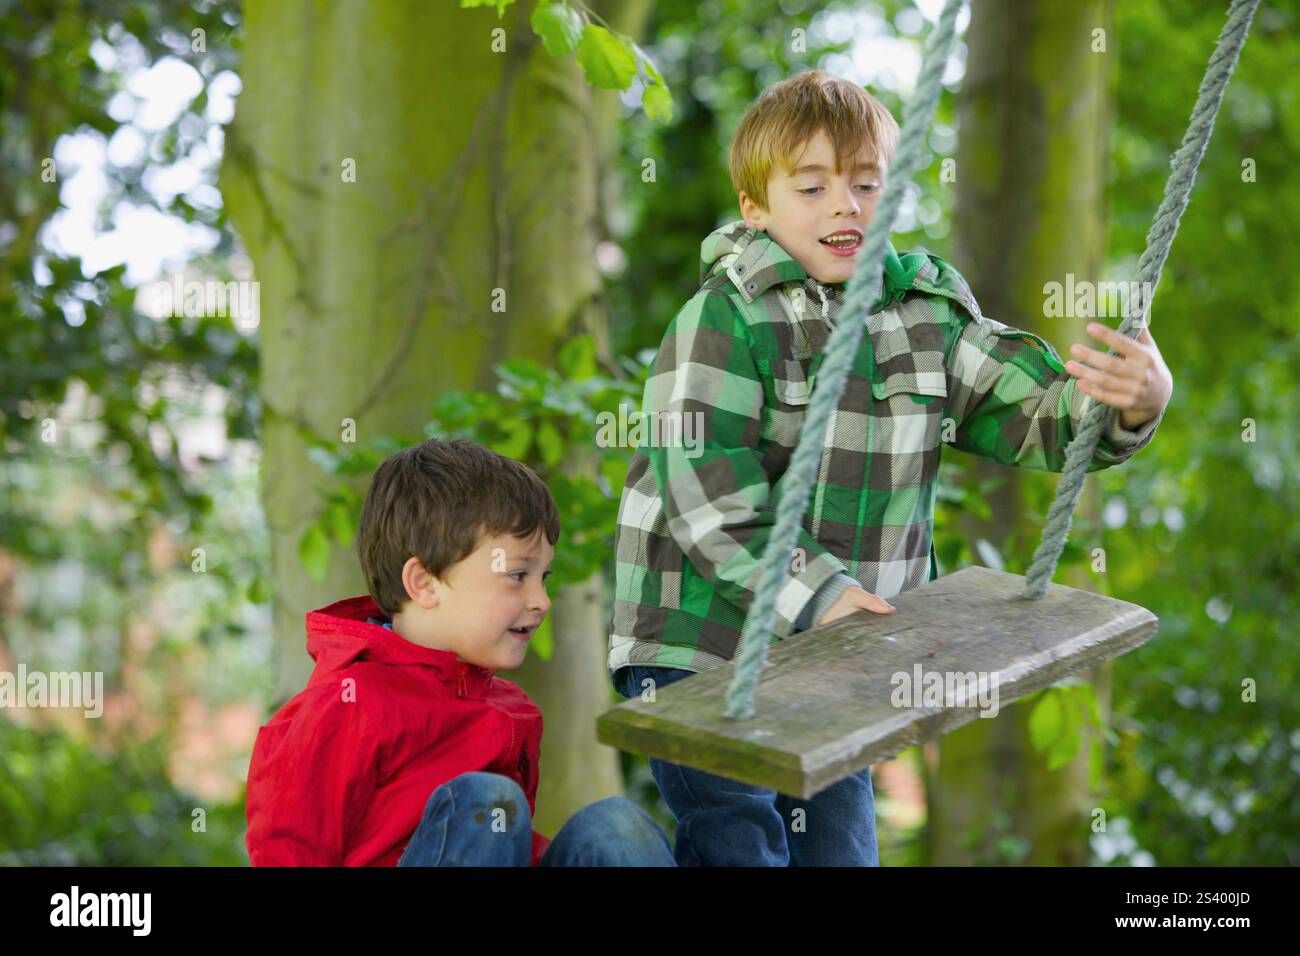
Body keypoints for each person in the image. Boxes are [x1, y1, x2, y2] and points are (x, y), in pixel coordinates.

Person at [607, 69, 1173, 866]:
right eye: (812, 186)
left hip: (843, 660)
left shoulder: (926, 317)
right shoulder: (725, 316)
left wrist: (1131, 402)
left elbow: (1043, 419)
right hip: (705, 647)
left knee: (843, 853)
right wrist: (824, 594)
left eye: (868, 182)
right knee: (742, 842)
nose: (846, 204)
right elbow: (708, 499)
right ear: (756, 209)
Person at [246, 438, 675, 866]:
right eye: (518, 575)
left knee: (618, 829)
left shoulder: (512, 710)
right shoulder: (344, 704)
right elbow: (286, 851)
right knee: (489, 802)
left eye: (544, 577)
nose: (541, 600)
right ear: (426, 583)